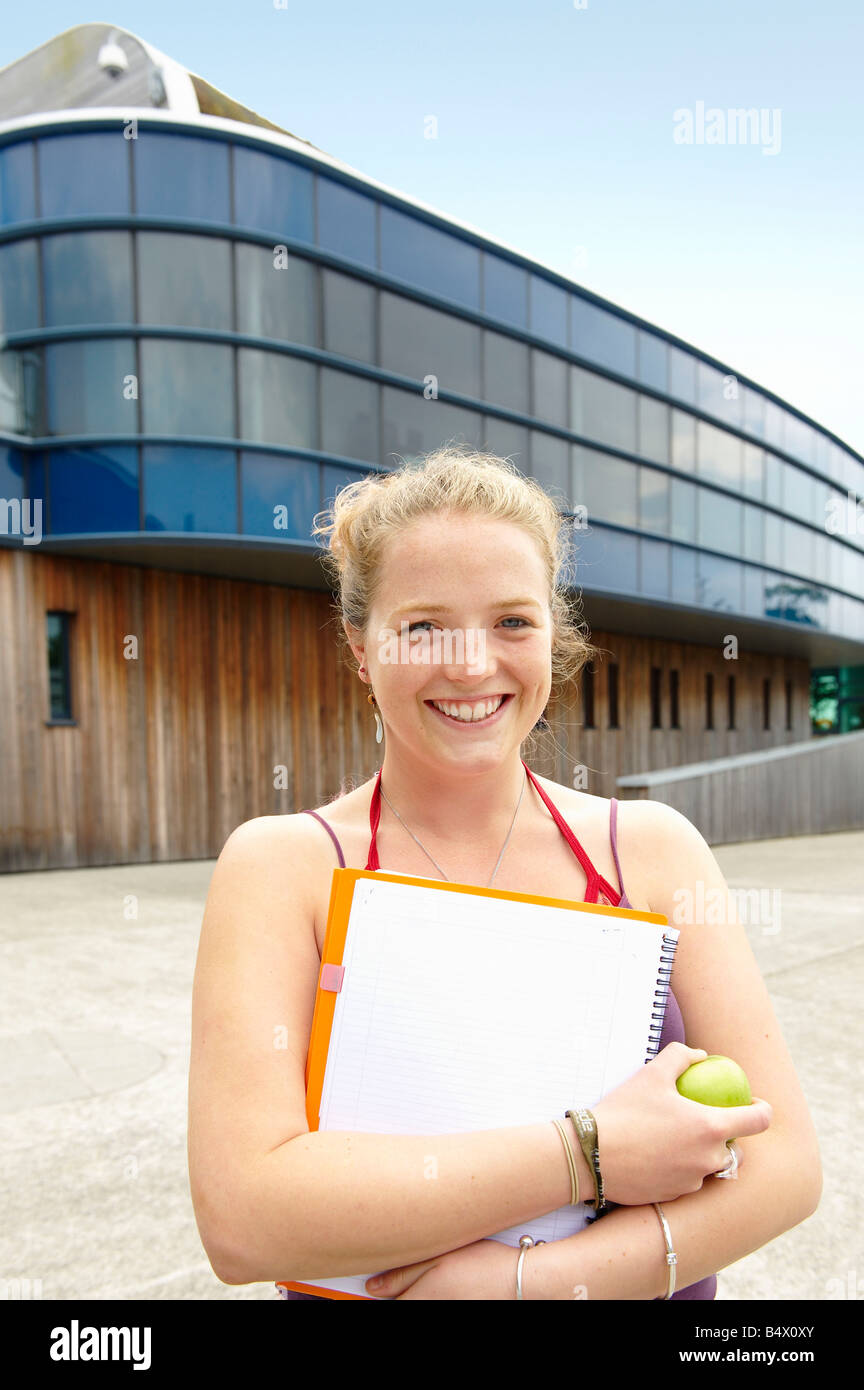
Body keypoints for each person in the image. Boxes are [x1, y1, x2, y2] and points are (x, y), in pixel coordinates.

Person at [188, 445, 821, 1301]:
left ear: (554, 634)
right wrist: (586, 1151)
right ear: (360, 647)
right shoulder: (282, 868)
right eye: (423, 626)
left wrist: (524, 1284)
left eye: (512, 622)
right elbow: (243, 1222)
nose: (473, 664)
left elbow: (783, 1169)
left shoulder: (653, 849)